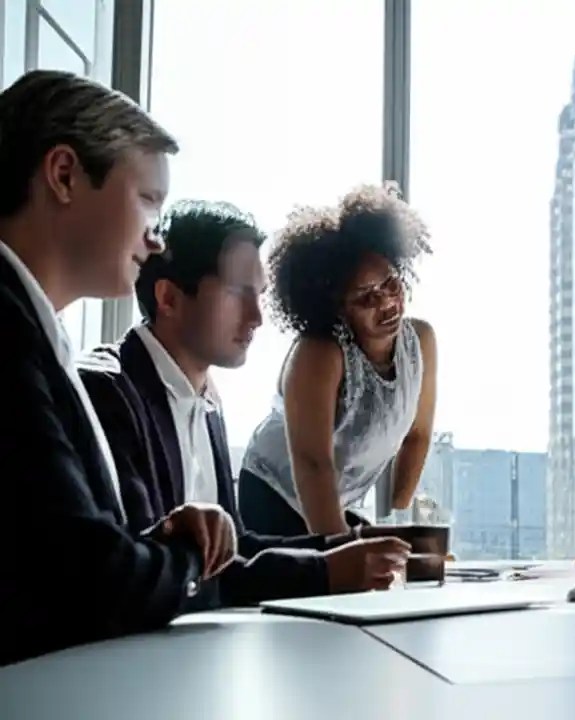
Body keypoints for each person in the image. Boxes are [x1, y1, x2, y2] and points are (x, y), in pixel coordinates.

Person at [0, 70, 236, 665]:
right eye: (149, 202)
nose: (157, 242)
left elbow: (49, 550)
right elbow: (88, 580)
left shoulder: (34, 331)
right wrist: (190, 565)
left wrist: (147, 547)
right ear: (64, 175)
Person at [77, 199, 413, 604]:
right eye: (239, 292)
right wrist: (323, 571)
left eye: (260, 294)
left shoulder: (207, 402)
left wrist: (345, 546)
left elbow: (232, 548)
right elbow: (149, 570)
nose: (257, 316)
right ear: (168, 299)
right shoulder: (108, 391)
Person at [237, 183, 438, 537]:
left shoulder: (420, 340)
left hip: (333, 499)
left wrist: (399, 524)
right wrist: (340, 552)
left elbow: (417, 437)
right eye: (366, 298)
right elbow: (313, 464)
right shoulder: (319, 354)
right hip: (274, 496)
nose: (387, 303)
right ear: (338, 308)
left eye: (391, 284)